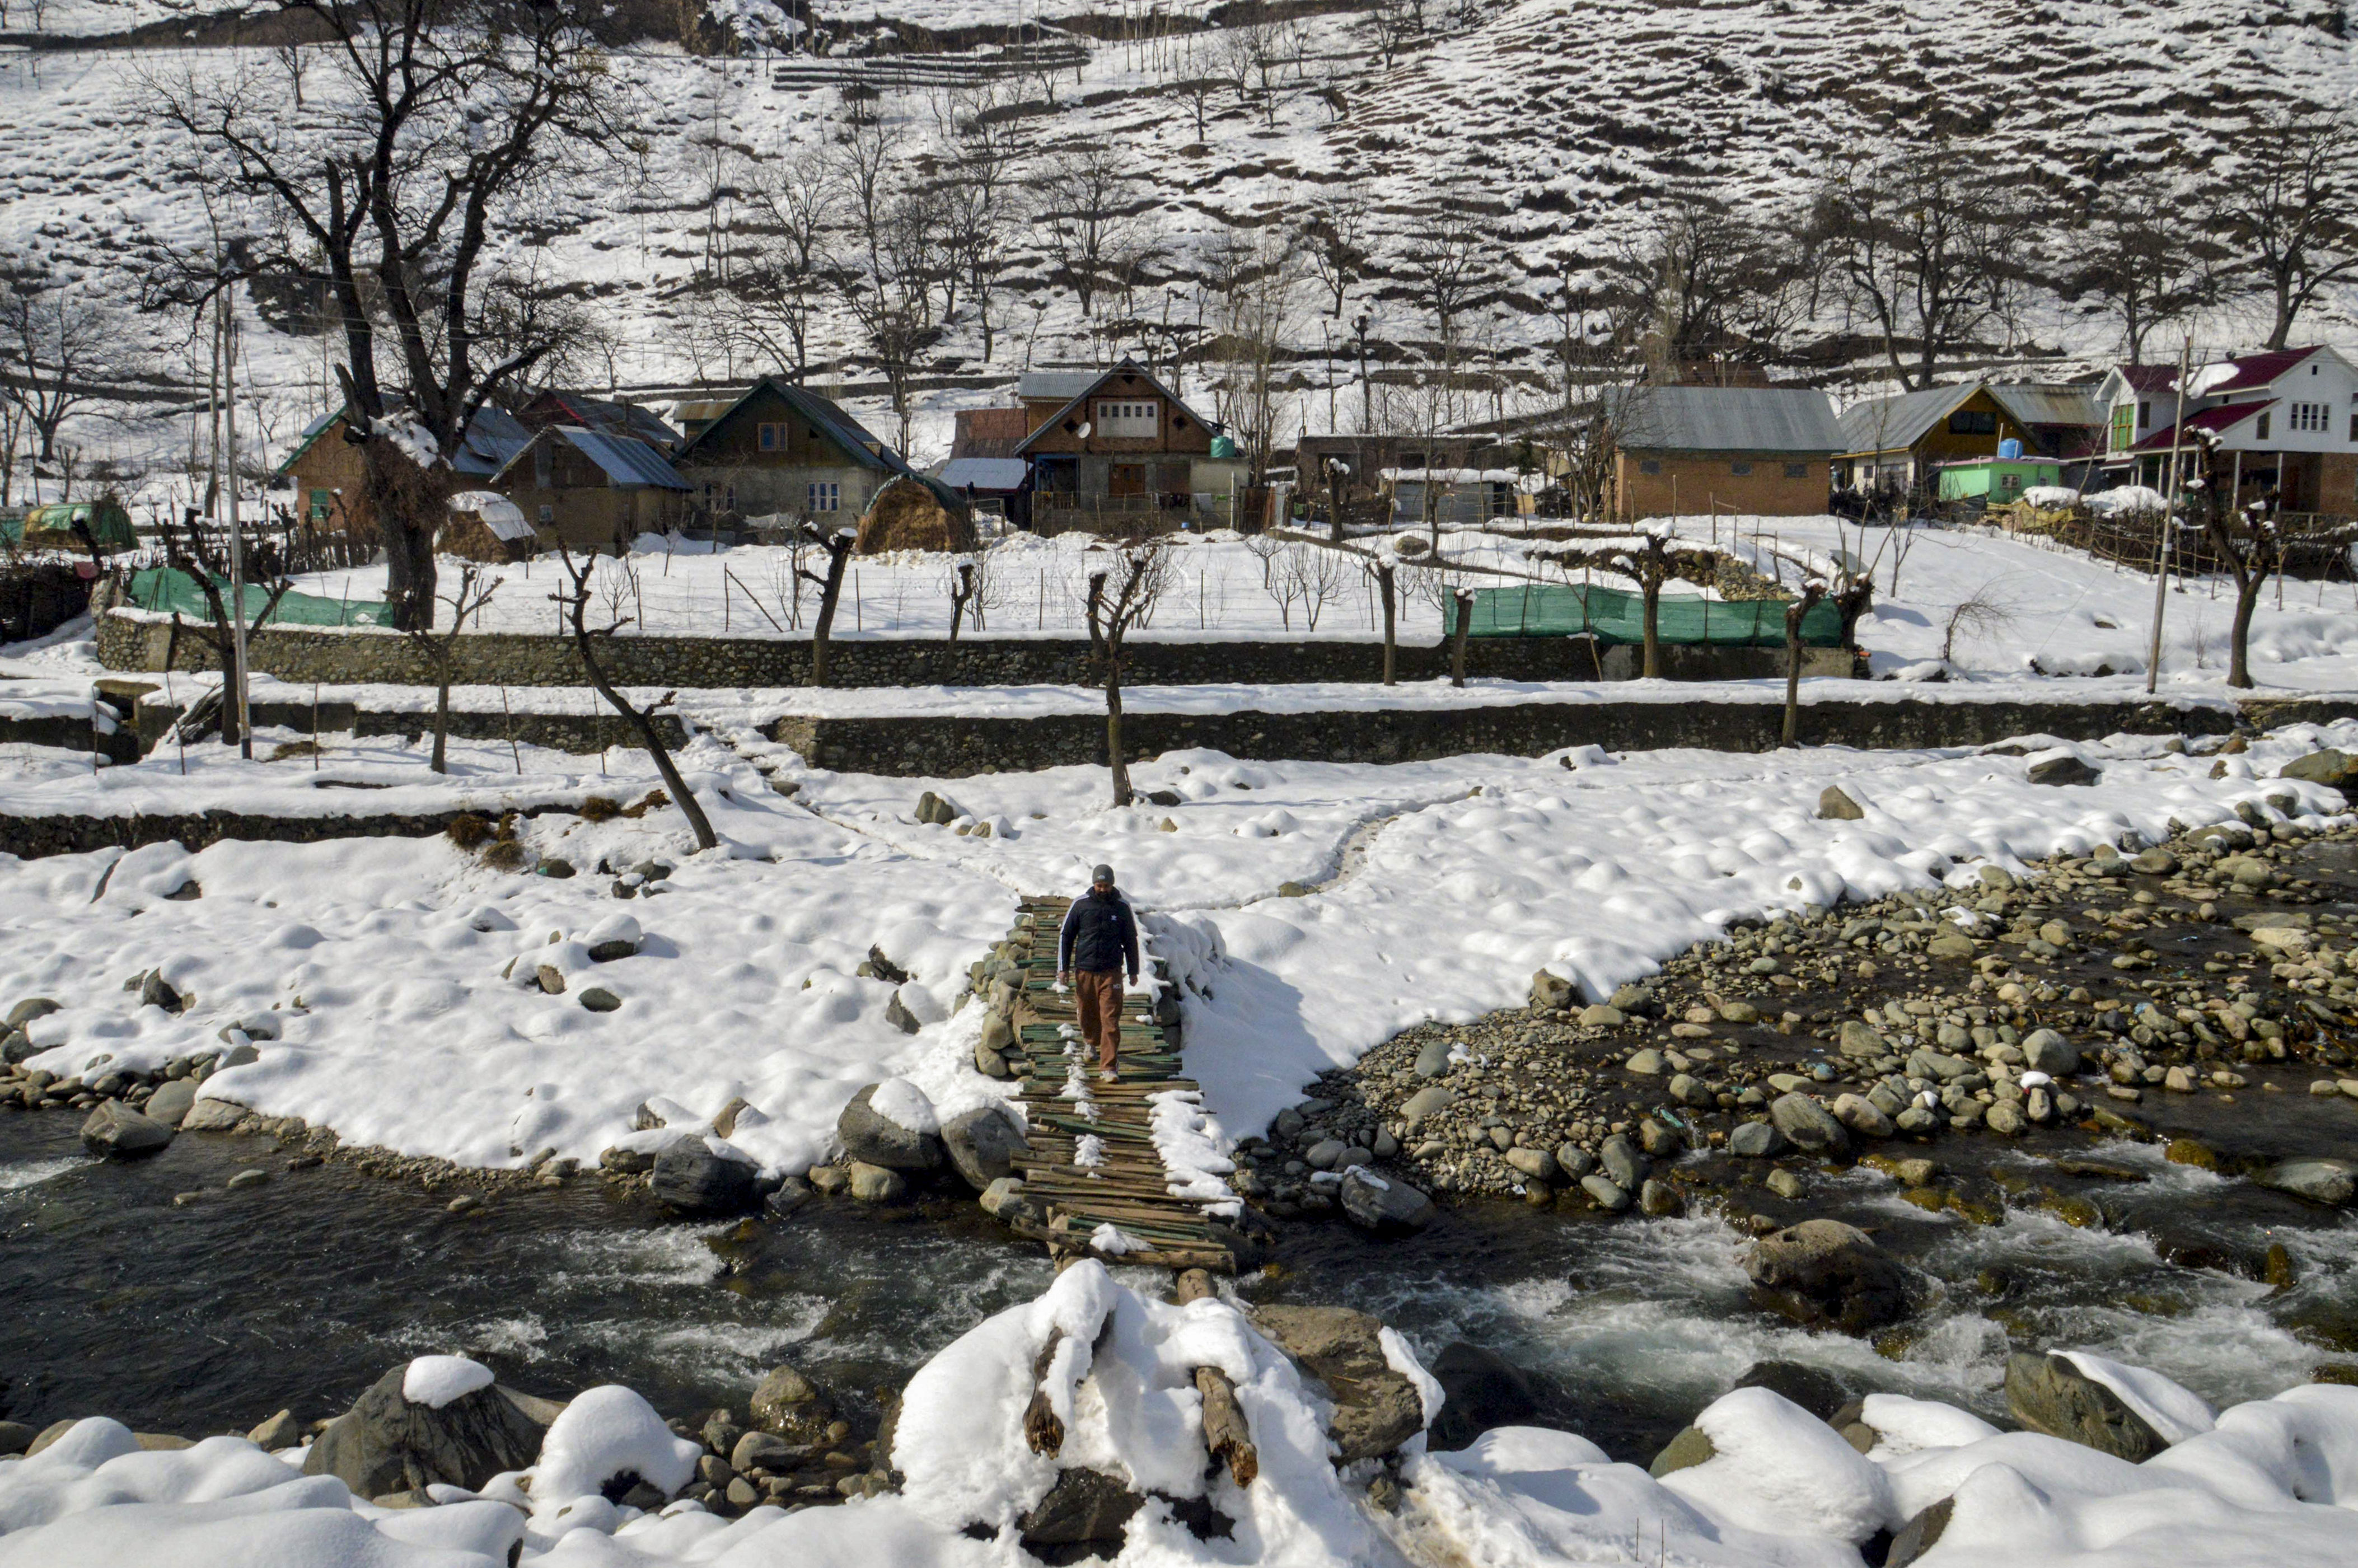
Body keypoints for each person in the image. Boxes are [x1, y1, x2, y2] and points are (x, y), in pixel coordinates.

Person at [1056, 863, 1139, 1082]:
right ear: (1094, 884)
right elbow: (1066, 935)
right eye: (1099, 885)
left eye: (1106, 885)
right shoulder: (1081, 904)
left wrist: (1133, 971)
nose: (1102, 889)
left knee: (1111, 1019)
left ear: (1112, 885)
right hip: (1085, 971)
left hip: (1111, 972)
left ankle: (1109, 1067)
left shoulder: (1122, 907)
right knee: (1087, 1013)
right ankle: (1090, 1041)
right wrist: (1063, 969)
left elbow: (1131, 940)